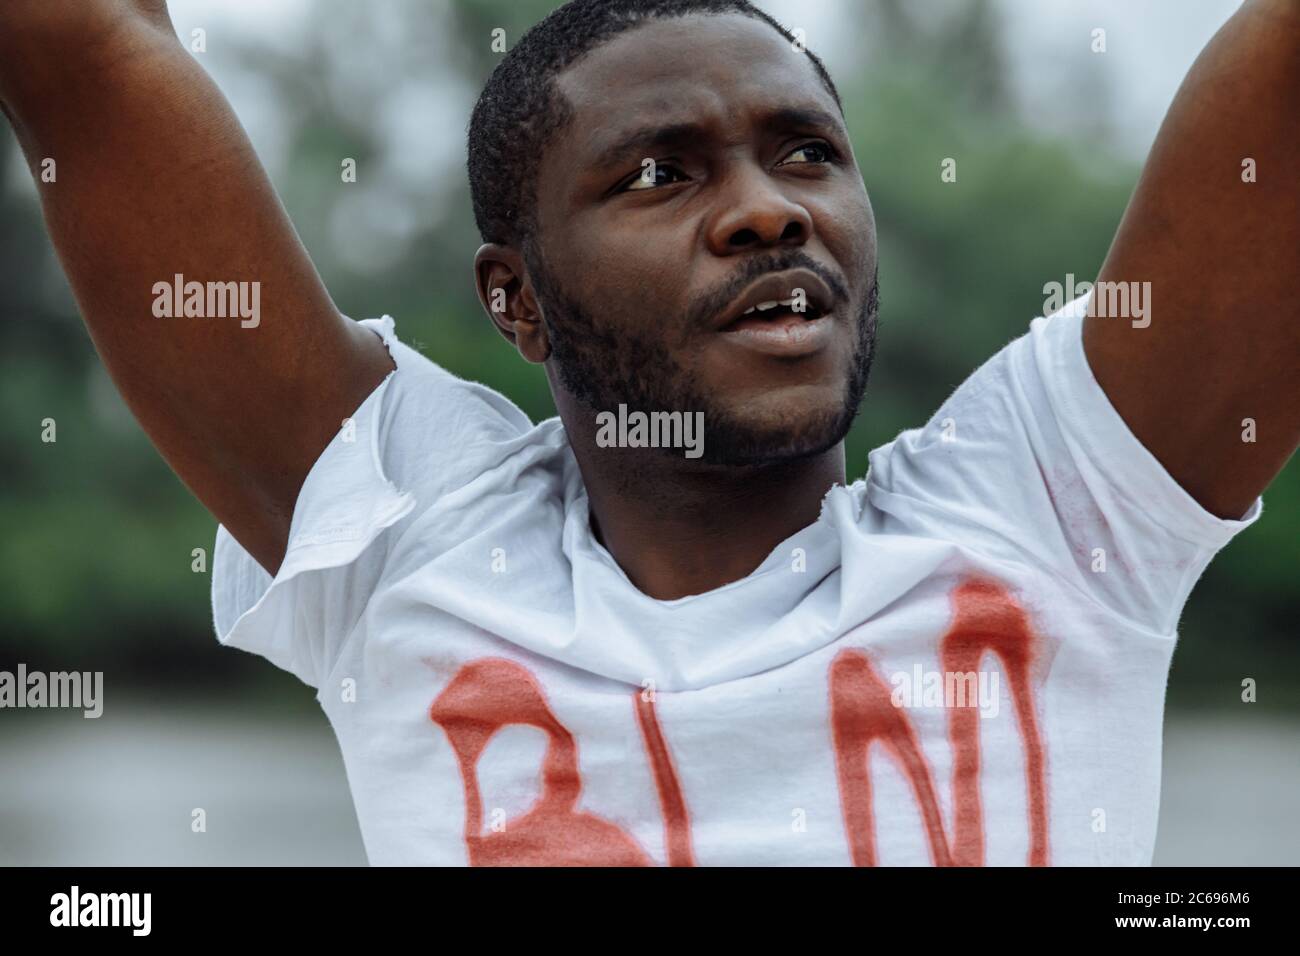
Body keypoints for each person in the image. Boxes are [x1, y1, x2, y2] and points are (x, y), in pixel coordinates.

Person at [1, 0, 1294, 866]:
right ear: (515, 300)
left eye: (806, 155)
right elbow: (79, 51)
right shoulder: (405, 539)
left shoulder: (1054, 517)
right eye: (659, 174)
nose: (767, 213)